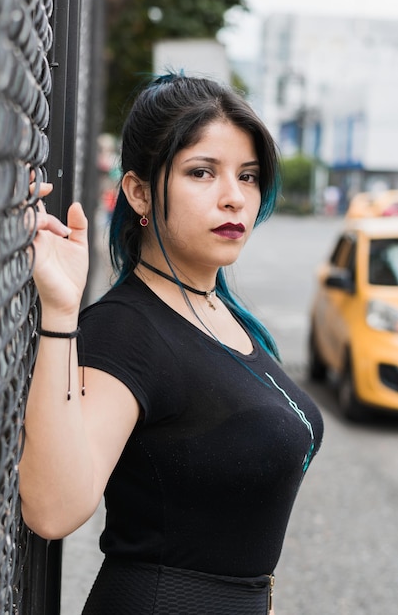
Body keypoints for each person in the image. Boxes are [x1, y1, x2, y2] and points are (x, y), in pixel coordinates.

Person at [19, 73, 324, 615]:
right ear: (138, 191)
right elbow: (53, 509)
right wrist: (62, 312)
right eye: (202, 172)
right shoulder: (126, 329)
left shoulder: (223, 312)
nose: (235, 198)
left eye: (248, 176)